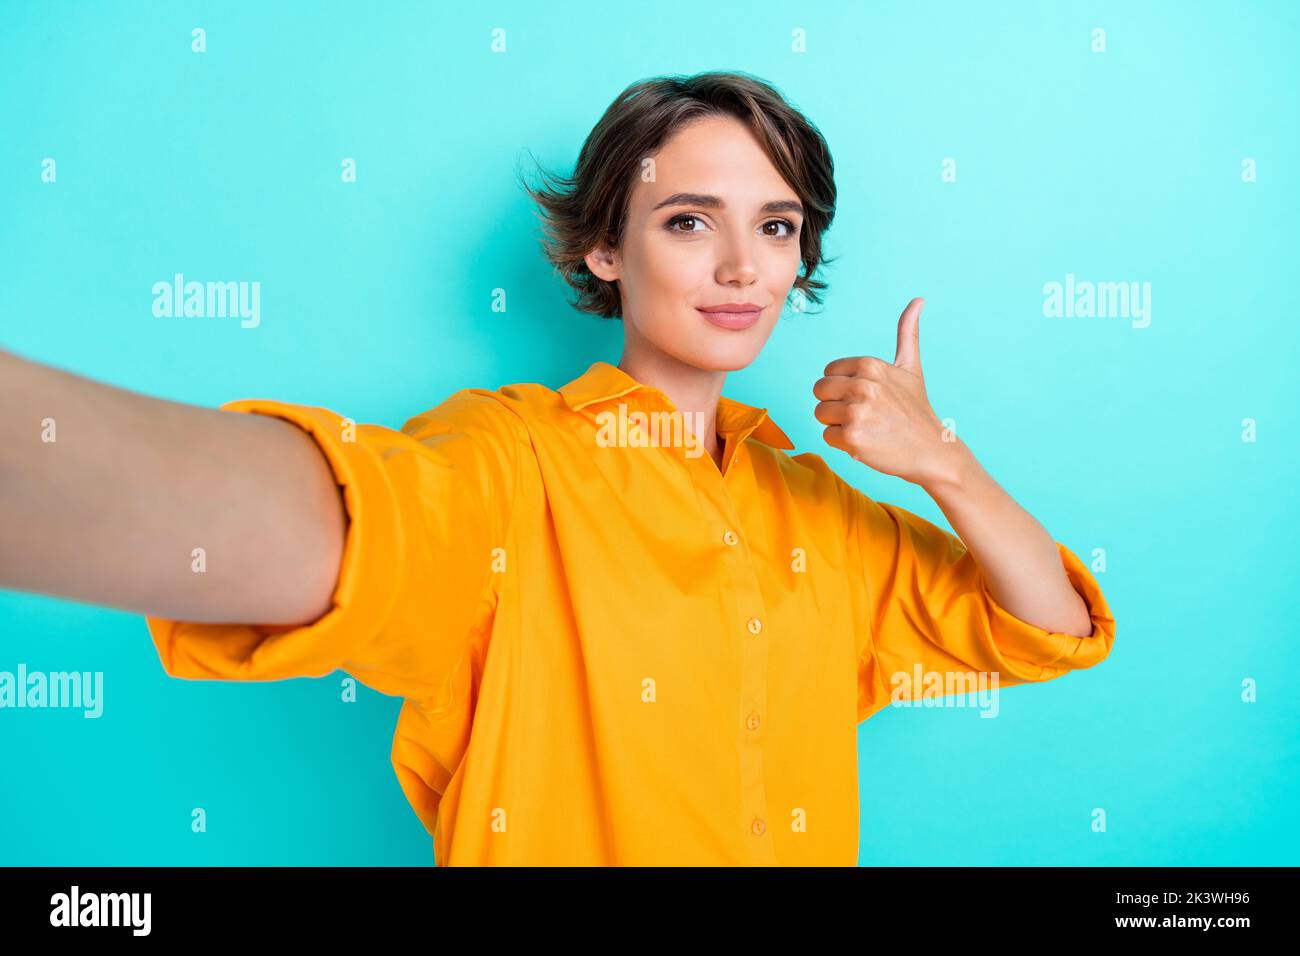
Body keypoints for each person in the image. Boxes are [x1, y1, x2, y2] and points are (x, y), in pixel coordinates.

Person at [0, 70, 1116, 866]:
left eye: (777, 228)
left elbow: (1046, 626)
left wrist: (941, 463)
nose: (742, 266)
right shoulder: (508, 457)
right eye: (689, 221)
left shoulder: (819, 513)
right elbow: (351, 523)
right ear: (601, 248)